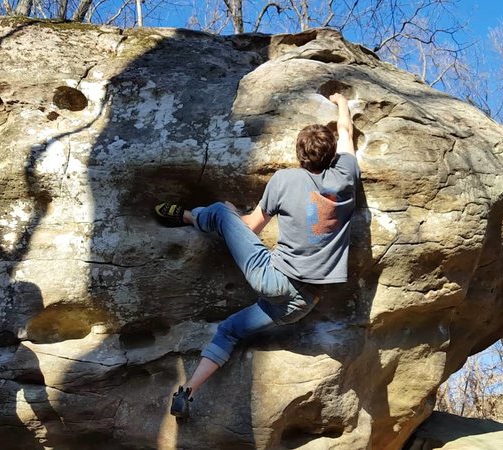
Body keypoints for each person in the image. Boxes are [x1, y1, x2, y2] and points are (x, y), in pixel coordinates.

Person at [154, 92, 359, 418]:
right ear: (332, 155)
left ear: (299, 155)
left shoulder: (285, 179)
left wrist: (234, 214)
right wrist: (343, 102)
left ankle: (188, 217)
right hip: (303, 302)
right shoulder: (346, 176)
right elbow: (347, 133)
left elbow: (251, 228)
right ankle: (188, 392)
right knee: (231, 330)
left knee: (221, 213)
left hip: (273, 278)